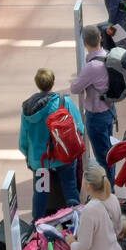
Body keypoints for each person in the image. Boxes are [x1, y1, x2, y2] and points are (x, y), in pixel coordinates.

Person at [18, 68, 85, 222]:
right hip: (64, 157)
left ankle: (38, 225)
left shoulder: (27, 110)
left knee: (40, 194)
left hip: (40, 160)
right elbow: (79, 128)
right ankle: (74, 221)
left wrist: (29, 156)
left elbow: (23, 139)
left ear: (37, 84)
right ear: (53, 82)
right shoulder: (64, 102)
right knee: (70, 189)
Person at [70, 25, 116, 182]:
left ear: (84, 43)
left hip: (96, 117)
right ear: (101, 38)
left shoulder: (91, 67)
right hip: (110, 111)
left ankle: (108, 193)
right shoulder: (108, 56)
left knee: (103, 158)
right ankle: (111, 188)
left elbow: (75, 88)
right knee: (109, 152)